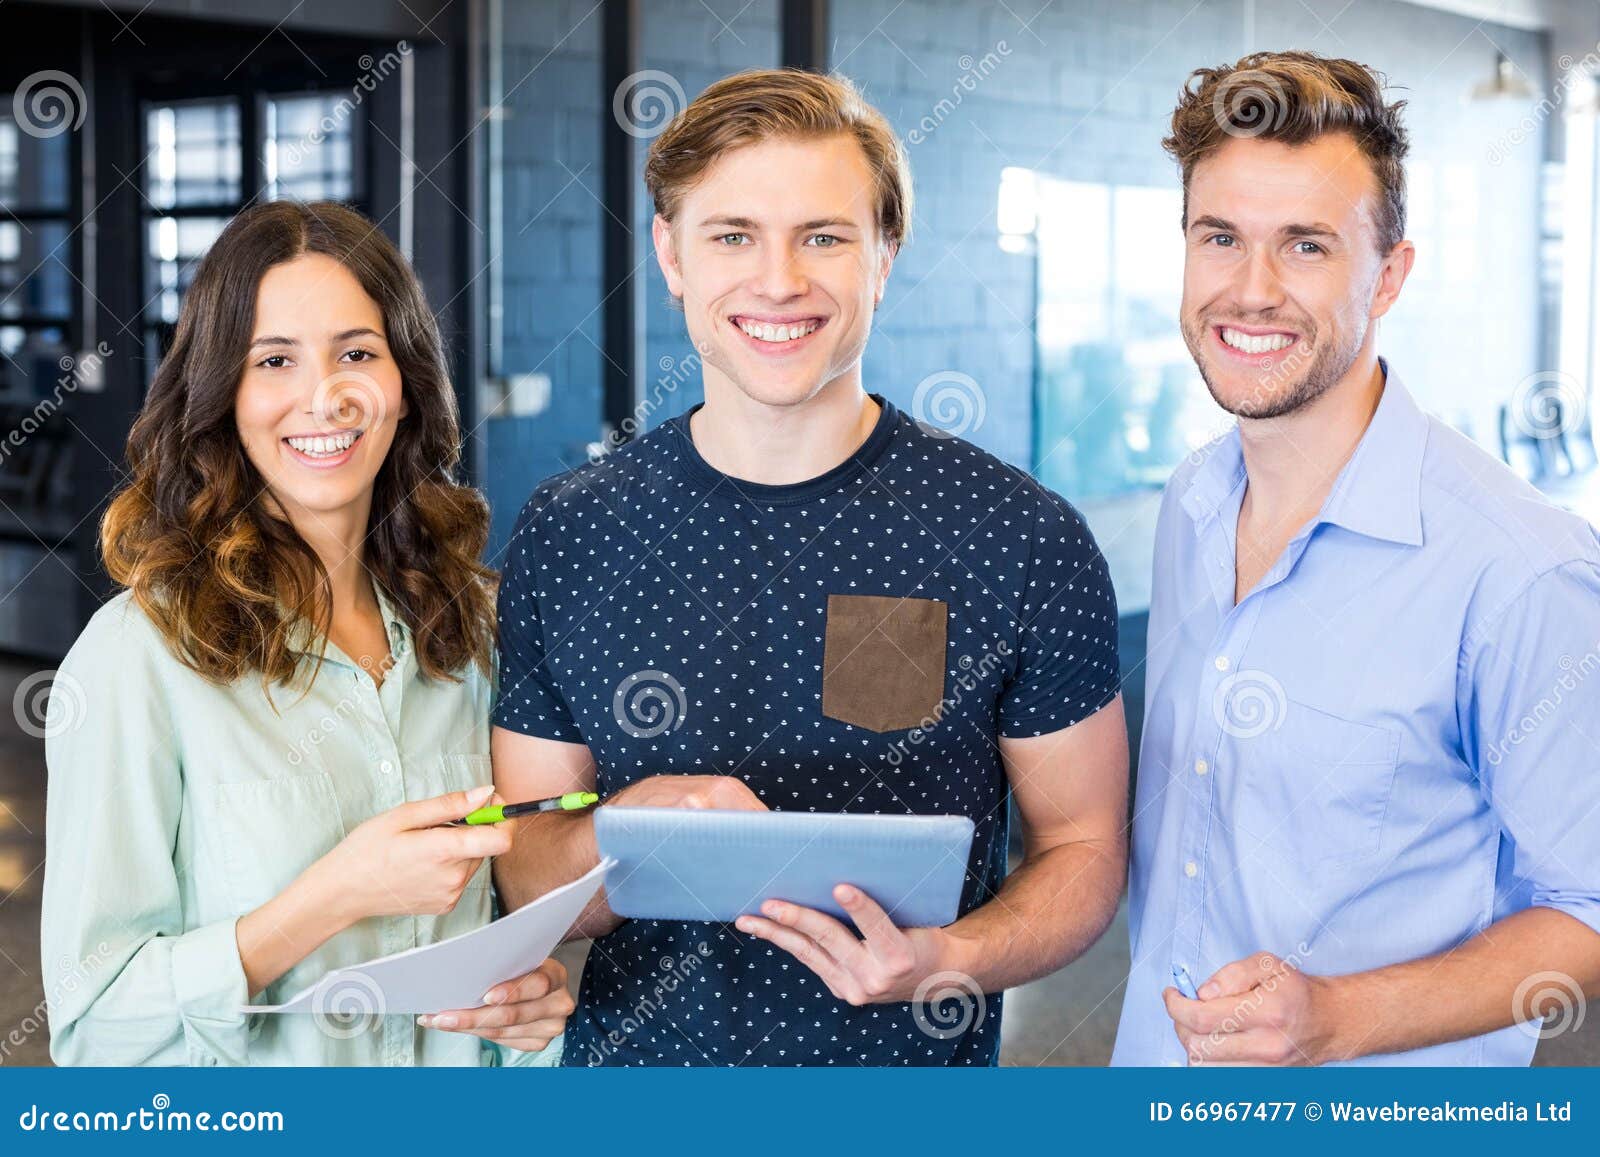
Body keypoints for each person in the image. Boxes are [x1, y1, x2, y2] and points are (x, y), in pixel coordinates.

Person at [490, 68, 1129, 1067]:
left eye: (823, 236)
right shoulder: (568, 532)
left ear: (884, 255)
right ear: (671, 255)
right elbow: (529, 873)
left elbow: (1083, 850)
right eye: (732, 235)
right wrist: (622, 833)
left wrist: (946, 956)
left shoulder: (1018, 536)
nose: (778, 280)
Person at [1113, 51, 1600, 1066]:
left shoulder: (1520, 572)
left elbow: (1588, 909)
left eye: (1304, 246)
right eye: (1219, 238)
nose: (1249, 291)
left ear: (1388, 274)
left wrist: (1335, 1016)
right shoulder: (1191, 504)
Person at [41, 200, 574, 1066]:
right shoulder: (137, 657)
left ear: (403, 386)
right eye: (274, 360)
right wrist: (329, 897)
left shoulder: (470, 628)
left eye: (357, 353)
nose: (324, 397)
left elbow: (494, 946)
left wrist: (530, 1006)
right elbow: (95, 1030)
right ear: (223, 397)